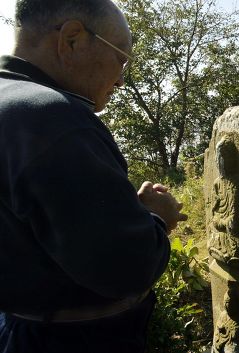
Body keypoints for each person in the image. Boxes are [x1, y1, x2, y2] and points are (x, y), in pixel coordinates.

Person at [0, 0, 187, 351]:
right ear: (72, 39)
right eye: (121, 58)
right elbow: (125, 268)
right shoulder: (51, 118)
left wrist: (116, 210)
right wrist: (155, 218)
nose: (119, 79)